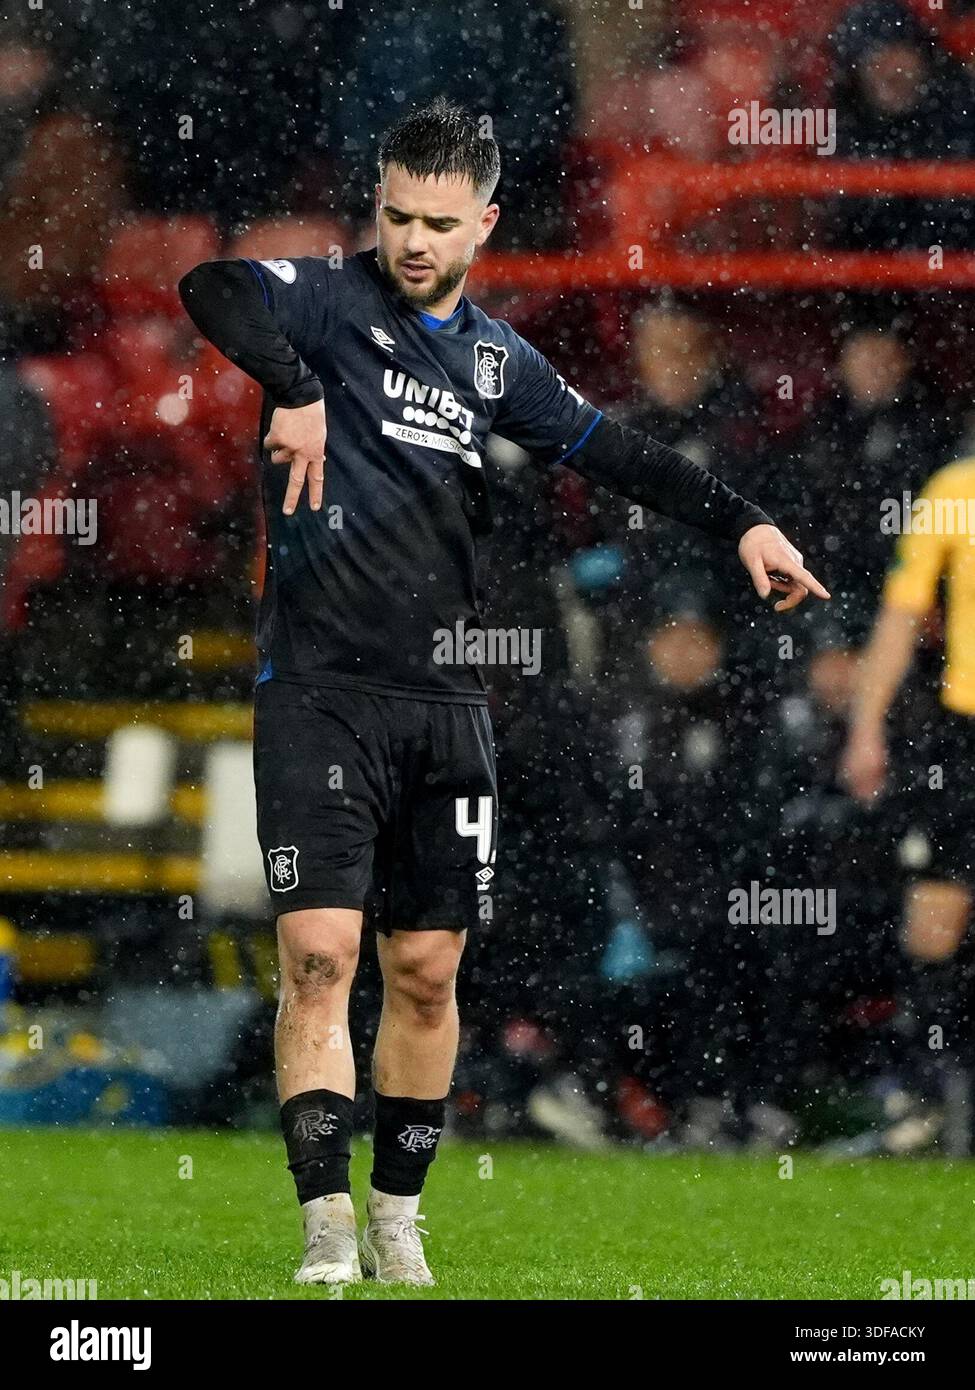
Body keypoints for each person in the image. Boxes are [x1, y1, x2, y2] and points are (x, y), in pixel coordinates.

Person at [178, 97, 828, 1288]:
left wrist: (745, 524)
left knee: (426, 973)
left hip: (449, 705)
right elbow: (210, 286)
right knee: (320, 959)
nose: (412, 241)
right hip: (317, 691)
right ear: (375, 201)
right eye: (394, 214)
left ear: (485, 222)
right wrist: (292, 383)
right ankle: (324, 1231)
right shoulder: (321, 301)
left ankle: (398, 1217)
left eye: (437, 222)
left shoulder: (495, 359)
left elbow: (615, 450)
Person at [841, 454, 975, 1147]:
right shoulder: (954, 489)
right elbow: (900, 615)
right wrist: (866, 725)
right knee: (931, 922)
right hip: (964, 732)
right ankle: (922, 1103)